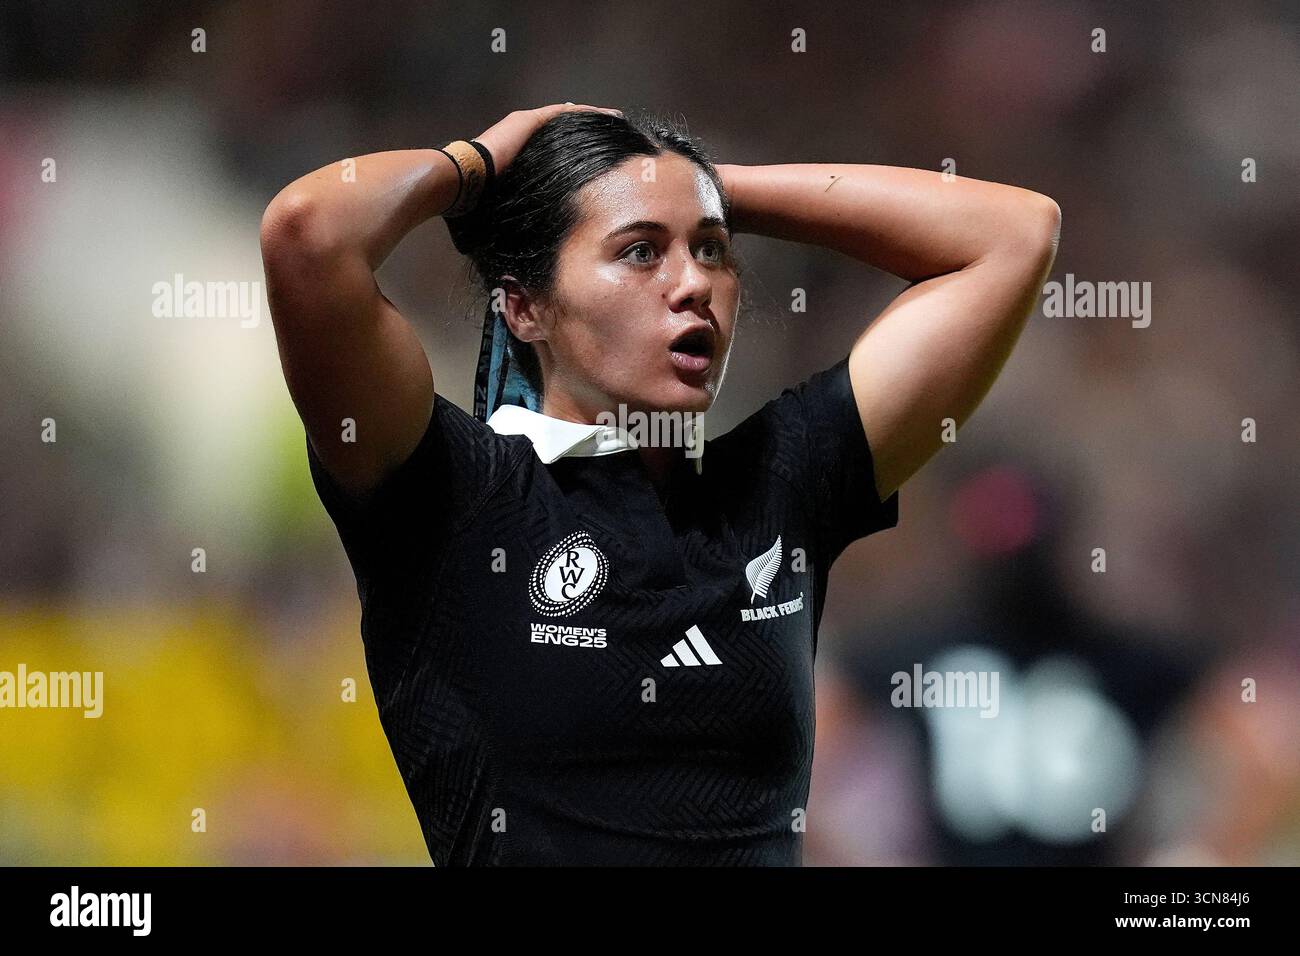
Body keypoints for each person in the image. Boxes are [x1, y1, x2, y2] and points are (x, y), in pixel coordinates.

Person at [259, 103, 1060, 865]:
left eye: (711, 248)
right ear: (525, 308)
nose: (692, 285)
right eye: (640, 251)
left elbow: (1016, 234)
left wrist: (701, 182)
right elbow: (308, 234)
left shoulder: (783, 483)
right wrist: (480, 164)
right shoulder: (450, 494)